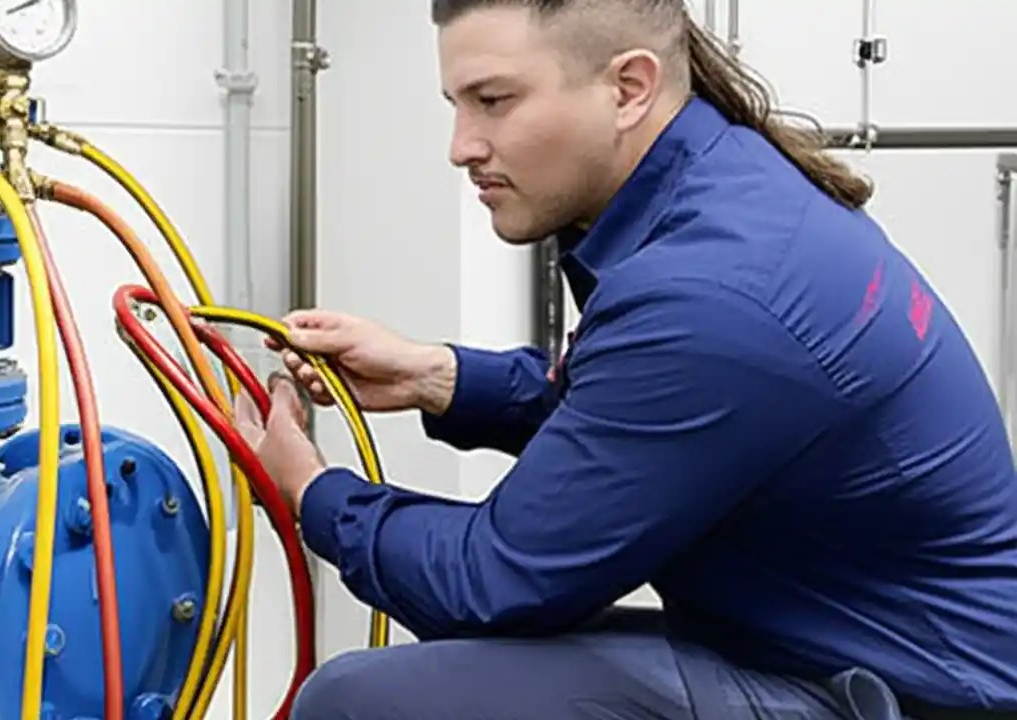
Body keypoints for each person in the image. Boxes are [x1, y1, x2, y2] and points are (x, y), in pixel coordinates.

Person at [231, 1, 1017, 718]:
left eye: (493, 101)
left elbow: (489, 583)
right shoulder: (722, 188)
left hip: (905, 696)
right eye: (456, 106)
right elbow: (633, 419)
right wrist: (437, 378)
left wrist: (307, 488)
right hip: (828, 645)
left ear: (629, 88)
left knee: (362, 703)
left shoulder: (716, 293)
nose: (462, 148)